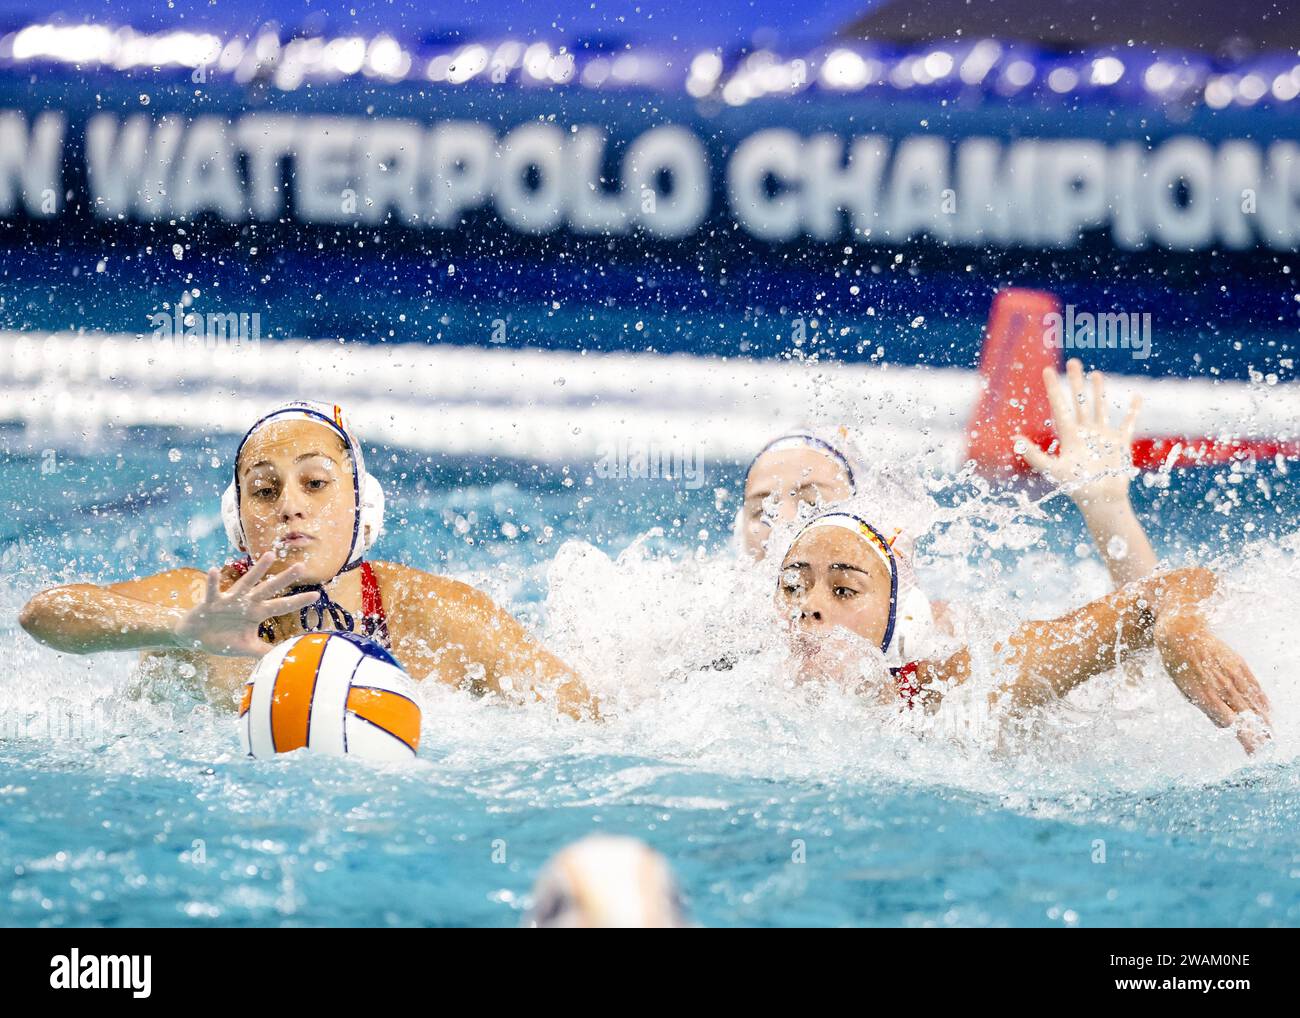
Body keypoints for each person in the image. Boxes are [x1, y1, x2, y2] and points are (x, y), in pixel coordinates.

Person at [19, 401, 598, 720]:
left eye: (316, 483)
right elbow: (44, 614)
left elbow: (586, 720)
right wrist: (183, 630)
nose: (291, 507)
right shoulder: (206, 602)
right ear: (237, 520)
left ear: (361, 506)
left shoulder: (431, 616)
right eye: (265, 491)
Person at [774, 508, 1272, 754]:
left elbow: (1172, 588)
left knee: (1130, 687)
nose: (809, 608)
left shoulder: (953, 686)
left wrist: (1180, 628)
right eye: (793, 587)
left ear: (900, 620)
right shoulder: (735, 689)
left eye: (843, 590)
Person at [739, 359, 1158, 588]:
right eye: (764, 511)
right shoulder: (716, 647)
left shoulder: (946, 649)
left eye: (813, 500)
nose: (787, 523)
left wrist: (1107, 510)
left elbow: (1131, 671)